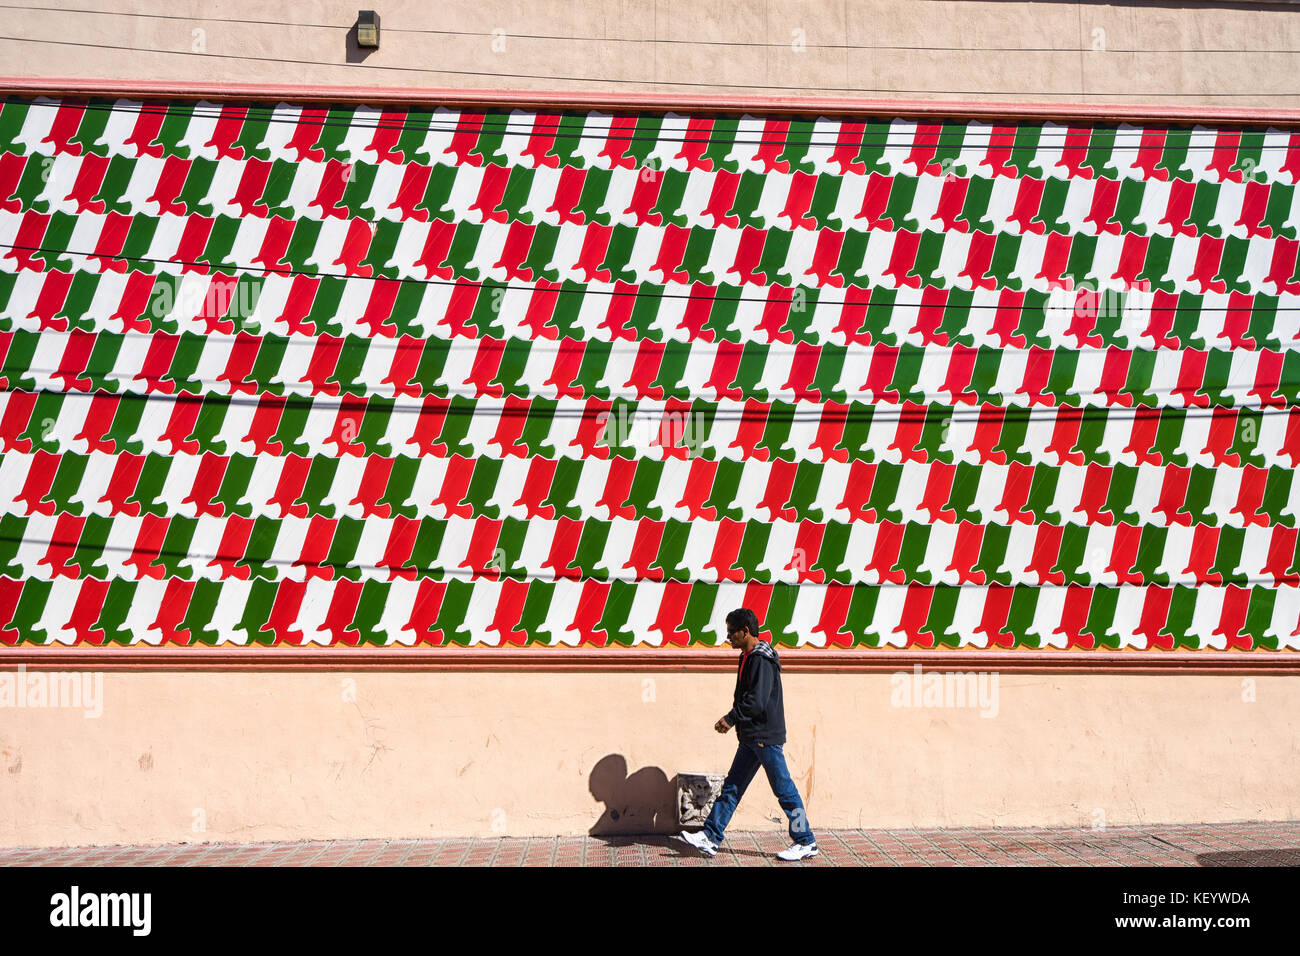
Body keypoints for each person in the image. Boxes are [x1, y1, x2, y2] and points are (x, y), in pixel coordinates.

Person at [680, 608, 818, 861]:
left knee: (785, 791)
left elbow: (756, 701)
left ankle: (805, 840)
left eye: (733, 632)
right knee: (732, 788)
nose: (729, 637)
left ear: (746, 631)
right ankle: (711, 837)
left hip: (765, 737)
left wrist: (730, 719)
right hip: (751, 737)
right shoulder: (748, 656)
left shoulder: (761, 659)